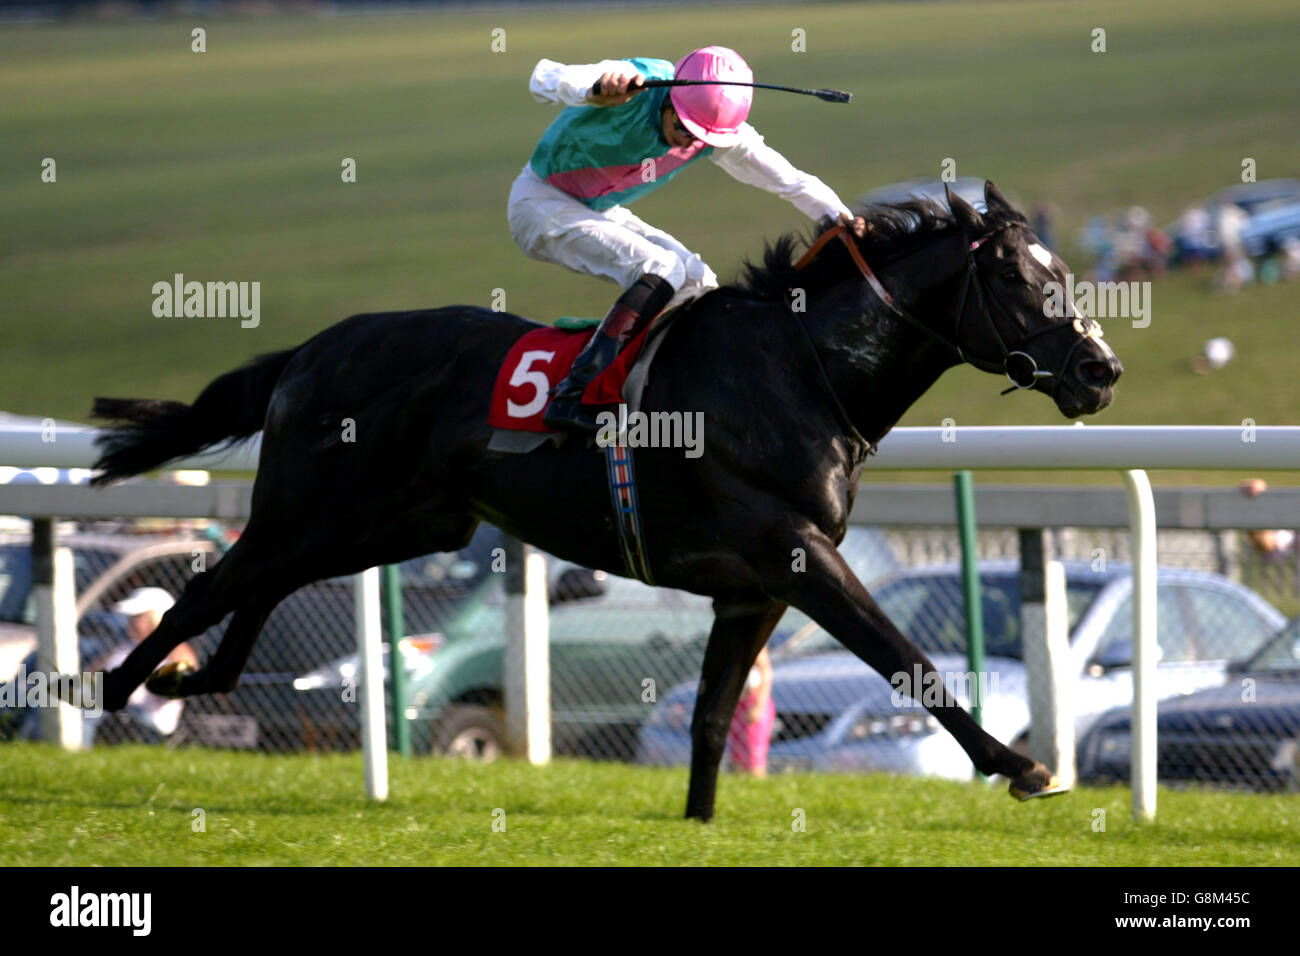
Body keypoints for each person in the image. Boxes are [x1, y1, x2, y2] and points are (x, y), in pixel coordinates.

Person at [508, 47, 865, 433]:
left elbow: (788, 180)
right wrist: (595, 90)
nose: (686, 142)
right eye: (684, 128)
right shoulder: (637, 79)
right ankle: (576, 393)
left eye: (700, 136)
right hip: (539, 204)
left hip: (596, 209)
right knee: (659, 268)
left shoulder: (716, 133)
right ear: (672, 100)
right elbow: (542, 77)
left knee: (698, 282)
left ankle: (660, 392)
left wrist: (840, 218)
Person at [82, 587, 197, 745]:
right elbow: (89, 676)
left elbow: (181, 683)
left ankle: (75, 749)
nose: (131, 622)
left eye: (138, 617)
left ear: (158, 618)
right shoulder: (125, 647)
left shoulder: (175, 649)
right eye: (131, 617)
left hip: (145, 721)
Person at [726, 646, 775, 776]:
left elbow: (766, 673)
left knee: (753, 753)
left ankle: (756, 783)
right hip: (737, 702)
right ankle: (739, 787)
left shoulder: (756, 647)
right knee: (737, 753)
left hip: (753, 701)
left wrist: (759, 704)